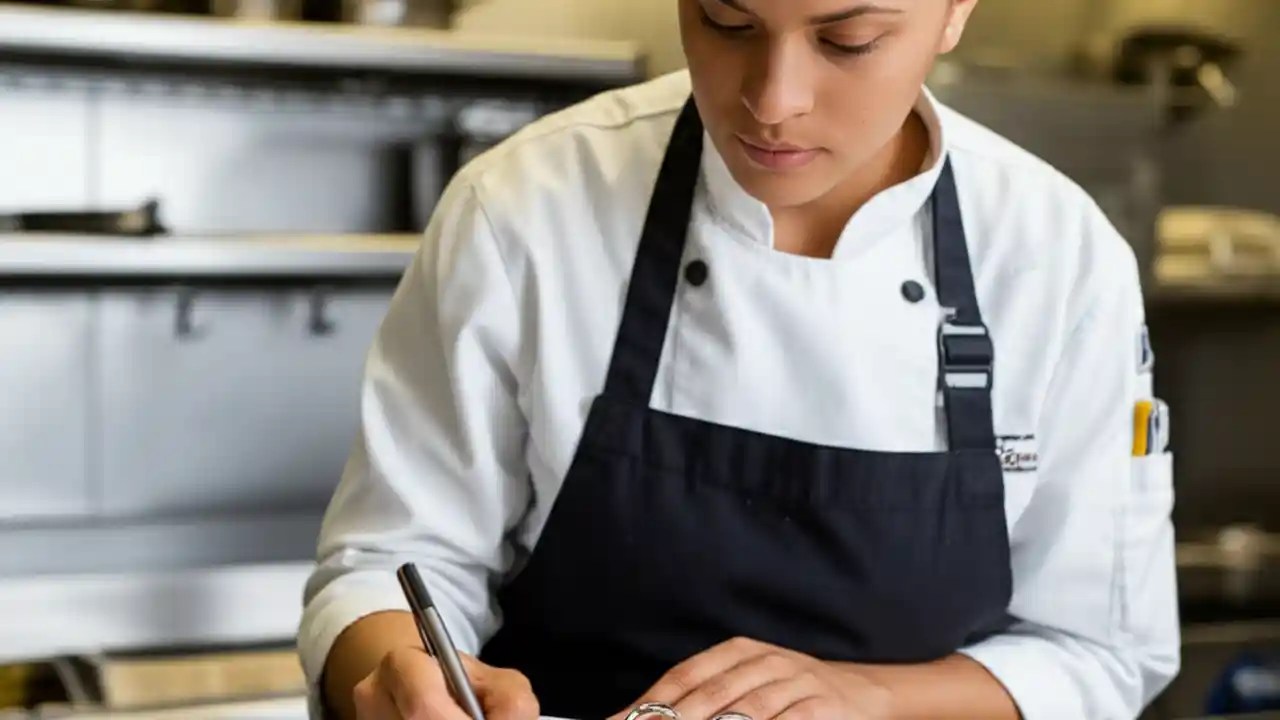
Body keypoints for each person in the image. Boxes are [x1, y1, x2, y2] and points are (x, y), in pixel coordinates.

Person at [298, 0, 1181, 717]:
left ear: (955, 12)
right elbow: (392, 558)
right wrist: (396, 675)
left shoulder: (1057, 257)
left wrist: (870, 698)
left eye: (849, 39)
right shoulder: (525, 205)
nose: (773, 98)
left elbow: (1101, 653)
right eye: (726, 22)